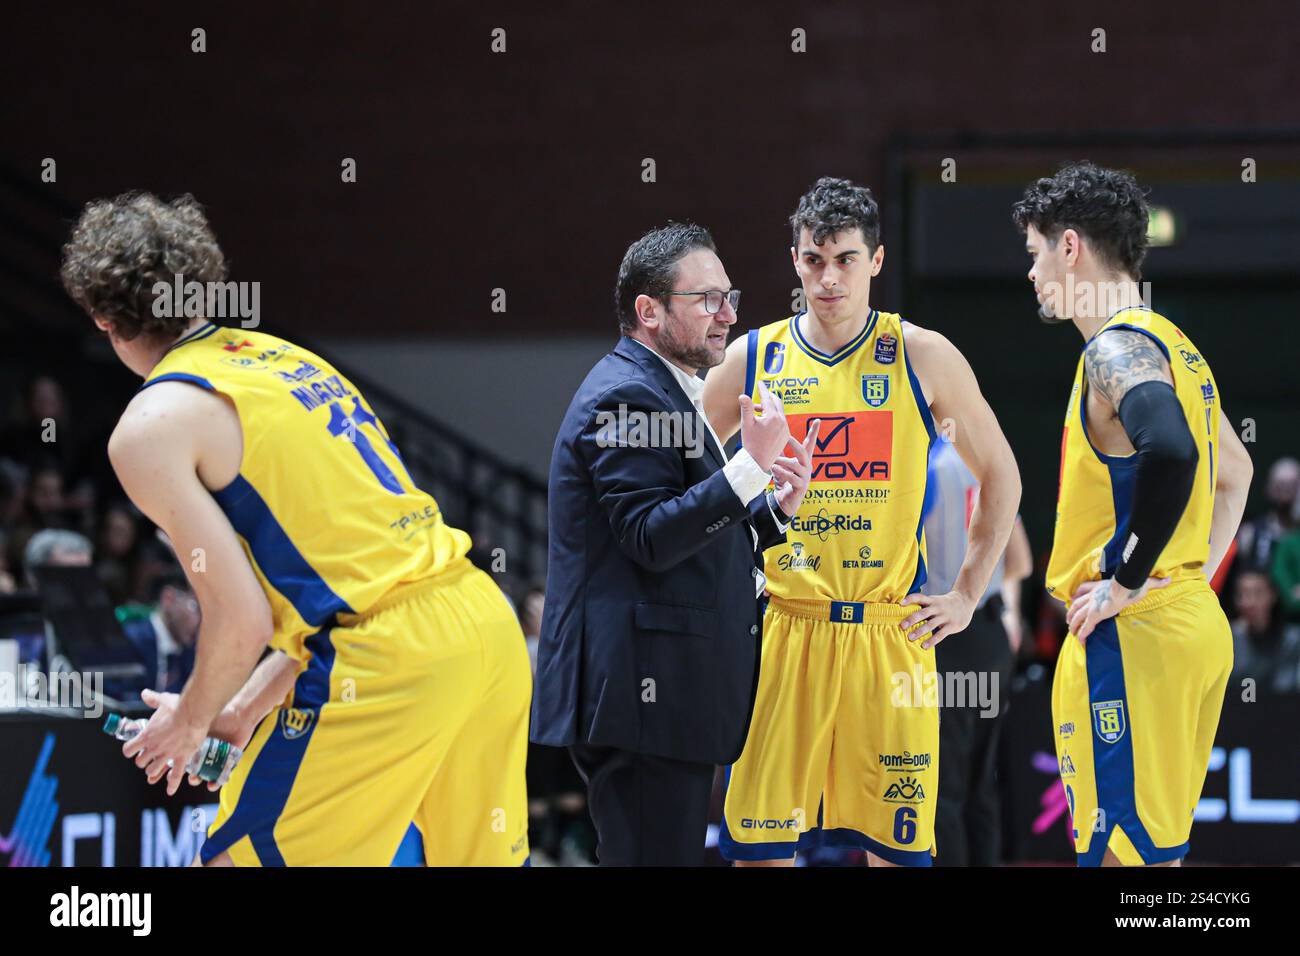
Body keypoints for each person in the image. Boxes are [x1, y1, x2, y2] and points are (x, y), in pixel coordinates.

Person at [60, 191, 531, 866]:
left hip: (389, 658)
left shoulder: (148, 428)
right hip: (481, 620)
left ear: (102, 314)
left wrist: (186, 725)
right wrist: (240, 709)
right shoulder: (287, 359)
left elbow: (242, 618)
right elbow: (352, 581)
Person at [703, 178, 1021, 866]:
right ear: (795, 260)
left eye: (846, 259)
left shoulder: (920, 355)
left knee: (897, 855)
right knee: (760, 854)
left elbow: (1003, 475)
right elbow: (682, 475)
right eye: (814, 259)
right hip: (787, 629)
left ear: (876, 261)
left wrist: (967, 593)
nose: (829, 277)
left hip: (888, 637)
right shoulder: (754, 359)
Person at [531, 222, 814, 866]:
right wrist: (749, 467)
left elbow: (689, 539)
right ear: (649, 311)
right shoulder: (628, 395)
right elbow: (650, 537)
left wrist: (772, 510)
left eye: (730, 297)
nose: (728, 316)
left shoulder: (663, 387)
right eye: (707, 299)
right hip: (641, 697)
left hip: (659, 700)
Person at [1014, 161, 1253, 866]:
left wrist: (1126, 578)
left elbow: (1174, 454)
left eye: (1034, 253)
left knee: (1120, 861)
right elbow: (1234, 473)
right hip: (1187, 622)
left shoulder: (1115, 349)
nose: (1030, 273)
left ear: (1069, 247)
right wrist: (1185, 578)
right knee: (1157, 858)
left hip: (1133, 637)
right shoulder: (1177, 345)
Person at [921, 436, 1032, 866]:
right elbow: (1020, 563)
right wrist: (1008, 609)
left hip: (940, 634)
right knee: (981, 782)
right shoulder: (990, 465)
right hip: (988, 637)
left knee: (941, 785)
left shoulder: (920, 462)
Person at [1230, 570, 1300, 693]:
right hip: (1239, 708)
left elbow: (1284, 688)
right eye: (1242, 594)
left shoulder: (1292, 639)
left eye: (1257, 594)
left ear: (1273, 595)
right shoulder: (1230, 638)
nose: (1248, 602)